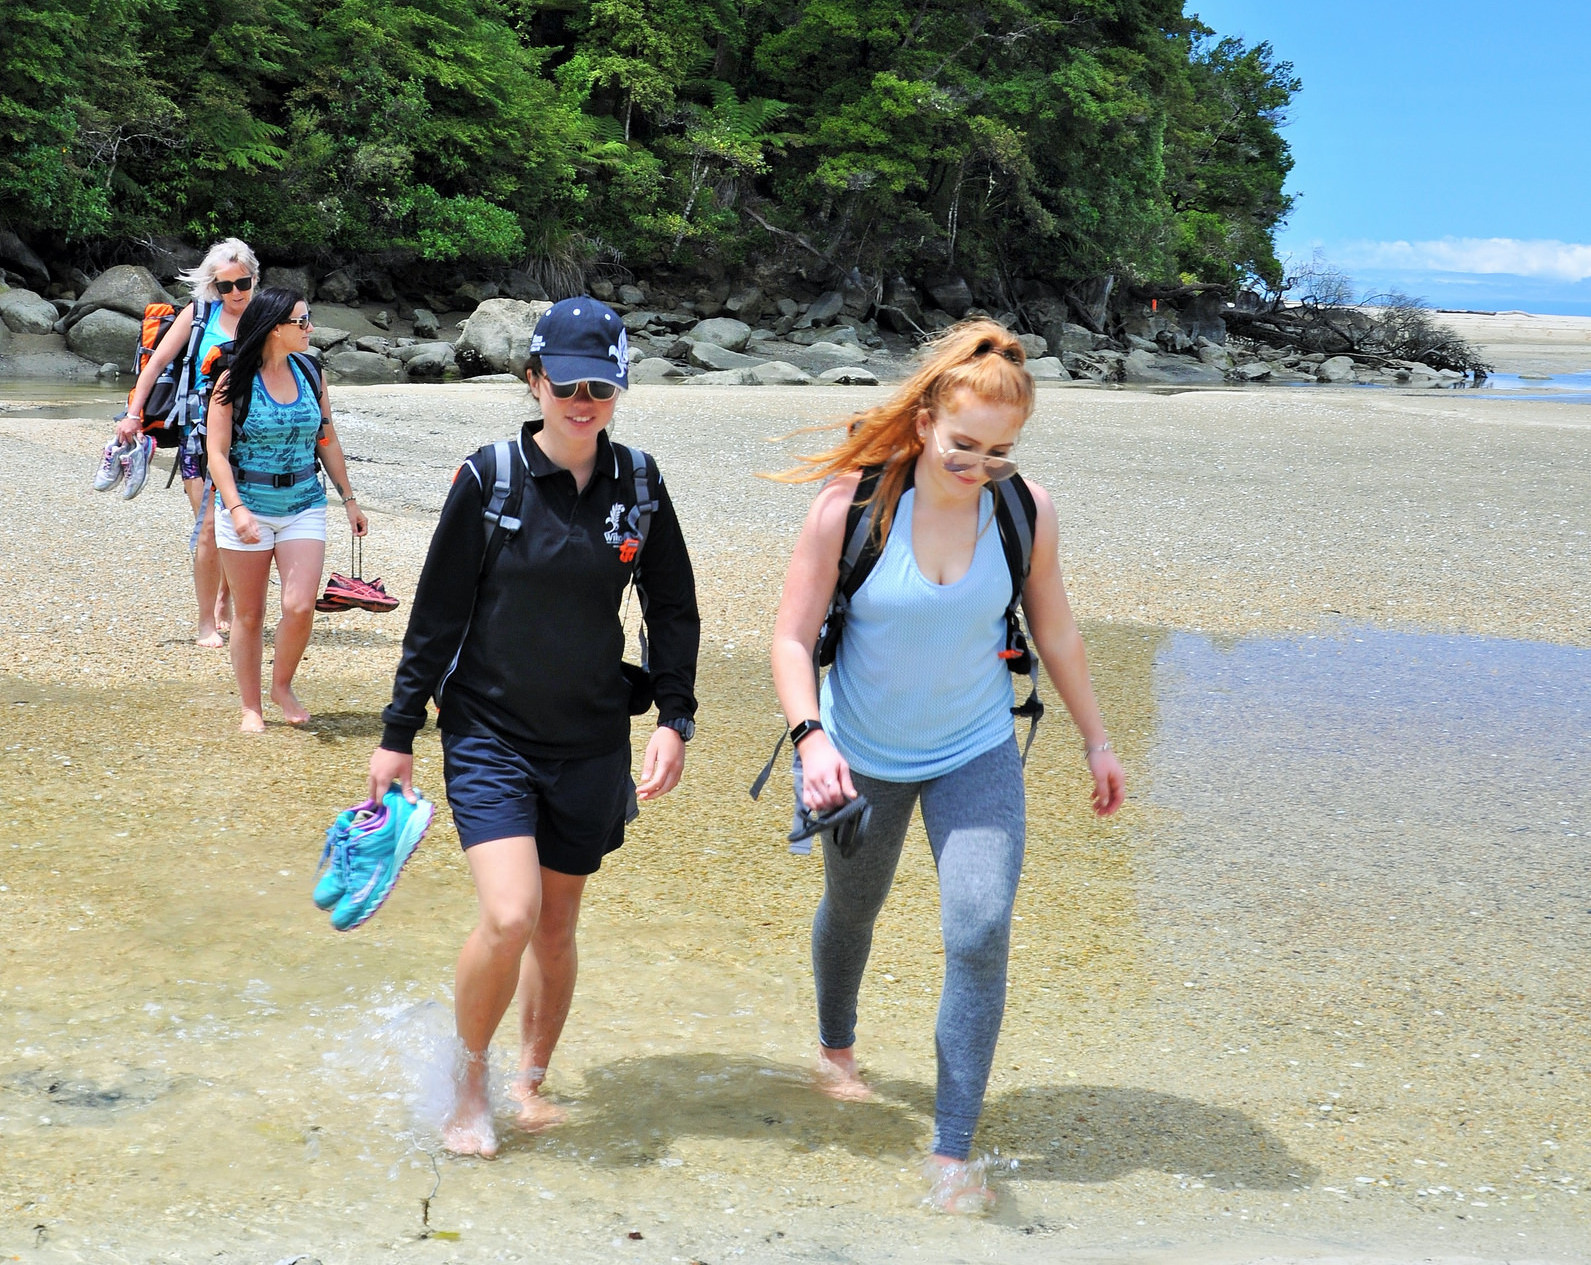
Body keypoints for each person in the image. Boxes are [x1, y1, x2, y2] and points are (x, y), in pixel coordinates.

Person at [769, 318, 1127, 1214]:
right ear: (927, 418)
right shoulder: (849, 508)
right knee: (852, 907)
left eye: (999, 452)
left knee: (978, 927)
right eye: (963, 445)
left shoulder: (1024, 510)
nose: (977, 466)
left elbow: (1056, 630)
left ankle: (952, 1149)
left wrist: (1096, 738)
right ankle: (836, 1049)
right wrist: (812, 739)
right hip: (858, 758)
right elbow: (788, 637)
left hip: (974, 750)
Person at [365, 297, 700, 1159]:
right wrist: (398, 733)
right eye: (566, 383)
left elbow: (672, 608)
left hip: (591, 738)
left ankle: (531, 1078)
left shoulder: (641, 484)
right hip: (489, 730)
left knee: (556, 923)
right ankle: (469, 1080)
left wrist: (675, 716)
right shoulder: (490, 479)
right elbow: (436, 617)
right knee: (509, 915)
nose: (582, 400)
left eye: (602, 385)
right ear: (534, 379)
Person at [206, 287, 367, 732]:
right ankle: (251, 706)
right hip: (248, 506)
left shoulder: (311, 372)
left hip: (304, 502)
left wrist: (349, 499)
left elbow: (326, 439)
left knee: (299, 607)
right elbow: (216, 454)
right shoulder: (232, 380)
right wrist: (236, 508)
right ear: (275, 328)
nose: (310, 328)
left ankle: (282, 685)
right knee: (250, 613)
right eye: (302, 321)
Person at [114, 238, 260, 646]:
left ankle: (225, 603)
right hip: (199, 432)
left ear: (254, 277)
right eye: (225, 285)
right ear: (213, 285)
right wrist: (133, 414)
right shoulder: (199, 314)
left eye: (242, 283)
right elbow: (157, 362)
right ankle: (206, 623)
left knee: (243, 522)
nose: (235, 293)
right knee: (210, 526)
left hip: (253, 432)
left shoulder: (266, 316)